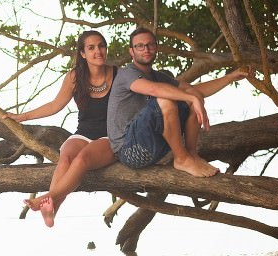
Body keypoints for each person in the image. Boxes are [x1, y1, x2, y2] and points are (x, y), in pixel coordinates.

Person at [4, 30, 117, 227]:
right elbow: (55, 105)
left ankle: (48, 198)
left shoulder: (118, 74)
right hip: (83, 133)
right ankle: (52, 209)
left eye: (101, 46)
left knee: (82, 159)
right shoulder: (75, 77)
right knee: (65, 157)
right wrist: (22, 117)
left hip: (110, 138)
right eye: (91, 48)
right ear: (82, 54)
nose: (98, 51)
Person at [107, 27, 252, 177]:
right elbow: (153, 90)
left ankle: (191, 154)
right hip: (130, 150)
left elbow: (194, 90)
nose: (146, 49)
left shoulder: (158, 76)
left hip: (155, 148)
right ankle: (182, 159)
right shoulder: (127, 73)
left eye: (150, 44)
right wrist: (192, 98)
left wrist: (230, 77)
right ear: (132, 51)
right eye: (139, 46)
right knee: (168, 99)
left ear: (156, 47)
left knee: (192, 94)